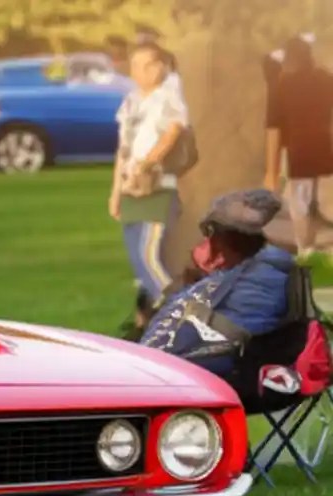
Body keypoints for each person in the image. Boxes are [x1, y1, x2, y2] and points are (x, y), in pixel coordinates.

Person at [140, 189, 291, 378]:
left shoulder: (261, 278)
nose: (208, 241)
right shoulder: (242, 272)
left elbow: (229, 339)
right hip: (167, 362)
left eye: (213, 234)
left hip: (190, 371)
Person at [109, 42, 188, 332]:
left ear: (159, 67)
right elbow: (123, 148)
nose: (140, 72)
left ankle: (180, 310)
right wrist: (116, 191)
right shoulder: (130, 101)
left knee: (148, 255)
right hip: (131, 188)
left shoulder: (169, 96)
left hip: (156, 187)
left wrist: (147, 164)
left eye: (147, 65)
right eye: (135, 66)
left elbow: (172, 132)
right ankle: (150, 319)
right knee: (136, 258)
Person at [263, 34, 333, 258]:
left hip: (299, 156)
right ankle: (318, 246)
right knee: (321, 204)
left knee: (301, 208)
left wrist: (271, 172)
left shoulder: (280, 86)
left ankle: (306, 250)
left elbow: (274, 130)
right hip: (325, 152)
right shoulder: (325, 79)